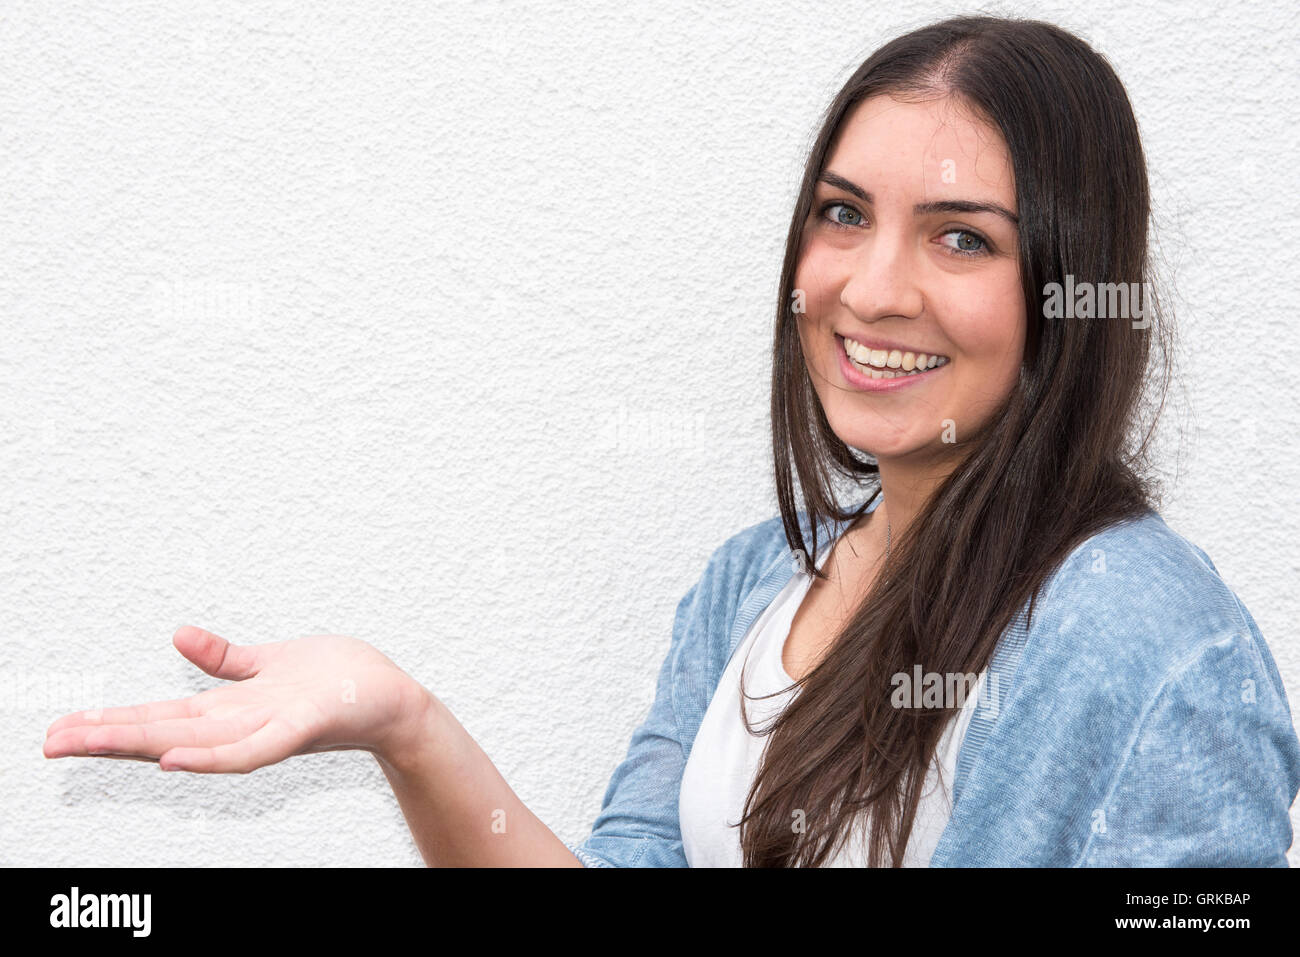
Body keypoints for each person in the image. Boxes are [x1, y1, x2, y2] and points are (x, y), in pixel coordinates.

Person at [42, 15, 1300, 867]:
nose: (871, 288)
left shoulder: (1159, 648)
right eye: (842, 216)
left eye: (961, 236)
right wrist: (404, 723)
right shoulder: (752, 584)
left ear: (1067, 289)